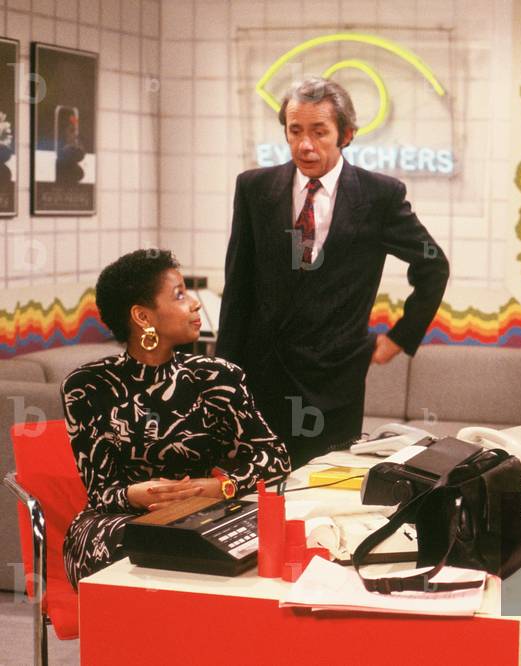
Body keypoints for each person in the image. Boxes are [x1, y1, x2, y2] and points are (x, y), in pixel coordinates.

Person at [216, 76, 450, 469]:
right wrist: (222, 379)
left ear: (347, 135)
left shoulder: (379, 196)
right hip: (261, 380)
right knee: (258, 498)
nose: (305, 145)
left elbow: (432, 264)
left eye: (319, 132)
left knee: (324, 500)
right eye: (295, 131)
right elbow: (237, 288)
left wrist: (400, 338)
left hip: (333, 382)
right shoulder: (254, 188)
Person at [62, 250, 291, 588]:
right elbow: (101, 492)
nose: (196, 305)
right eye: (180, 295)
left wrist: (222, 486)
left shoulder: (217, 377)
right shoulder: (87, 387)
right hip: (114, 524)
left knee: (254, 534)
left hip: (197, 516)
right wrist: (136, 495)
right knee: (145, 542)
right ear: (142, 316)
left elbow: (275, 458)